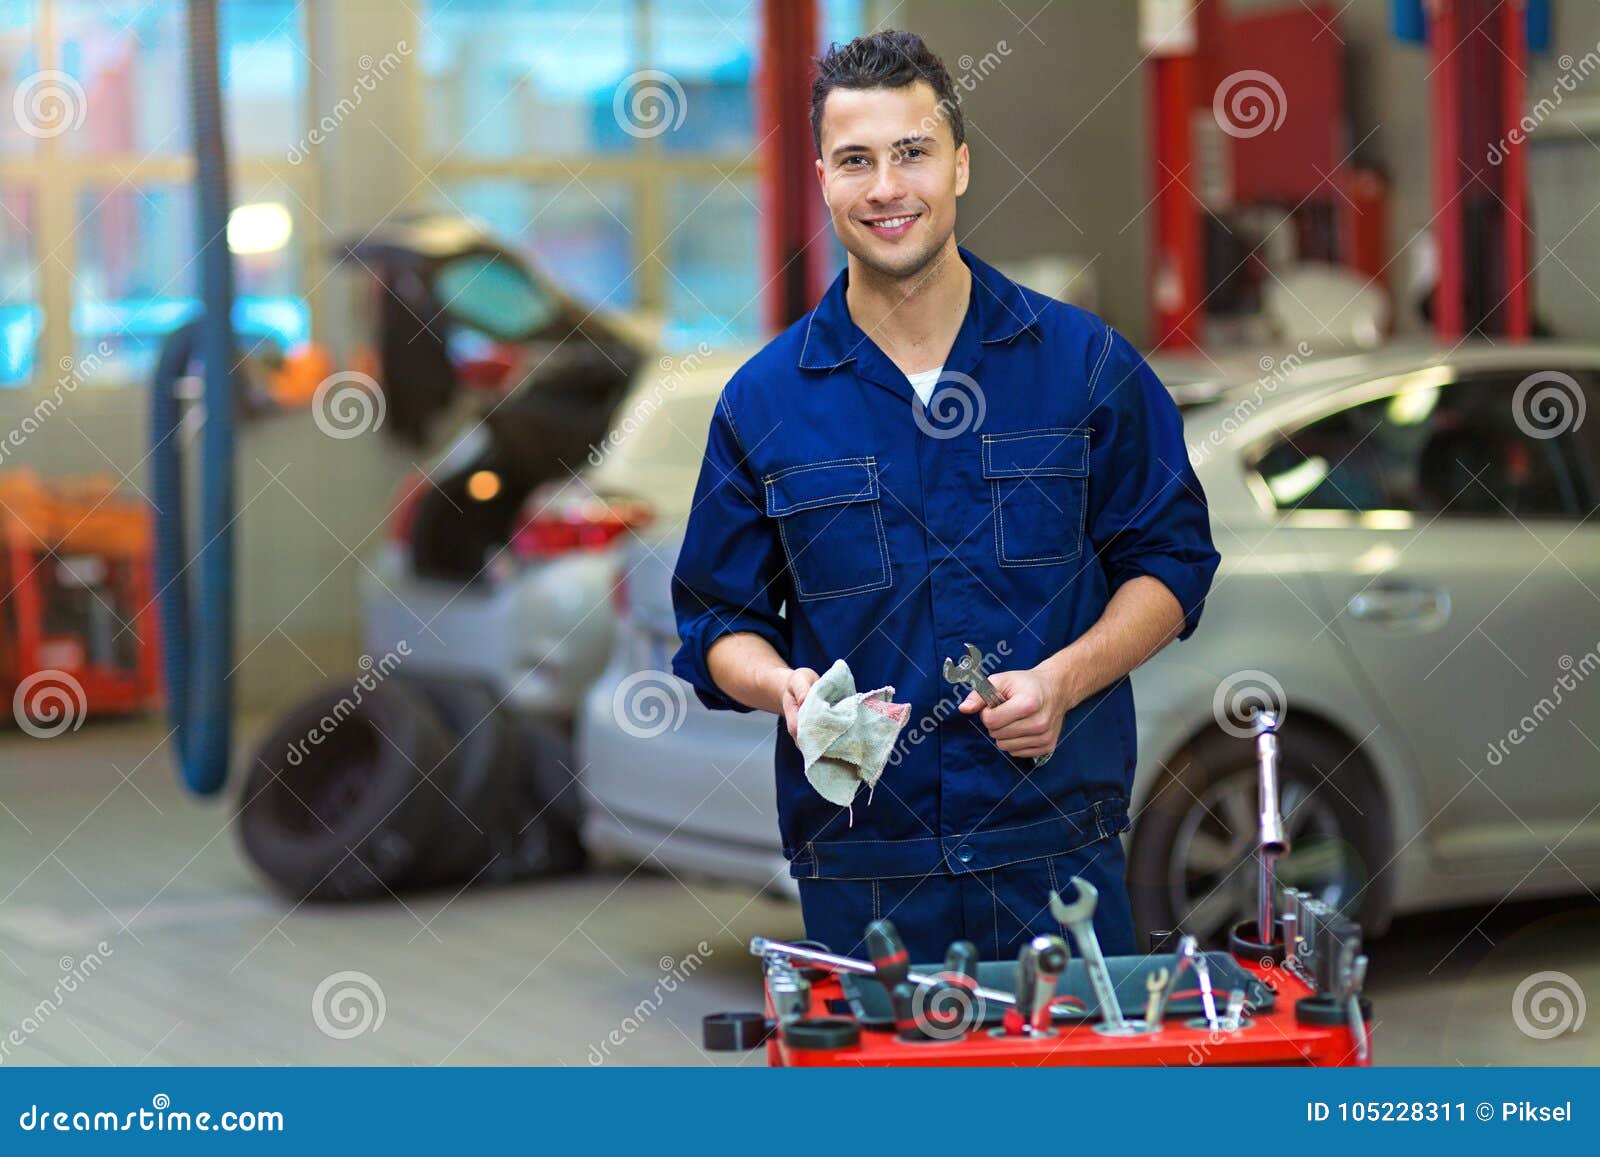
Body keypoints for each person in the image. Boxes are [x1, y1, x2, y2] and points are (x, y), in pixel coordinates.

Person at [669, 29, 1221, 963]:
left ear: (959, 166)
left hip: (1056, 858)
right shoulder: (764, 402)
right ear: (823, 179)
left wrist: (1063, 680)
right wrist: (783, 688)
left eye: (912, 152)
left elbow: (1172, 564)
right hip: (864, 870)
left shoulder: (1083, 367)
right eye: (856, 160)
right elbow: (714, 620)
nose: (886, 187)